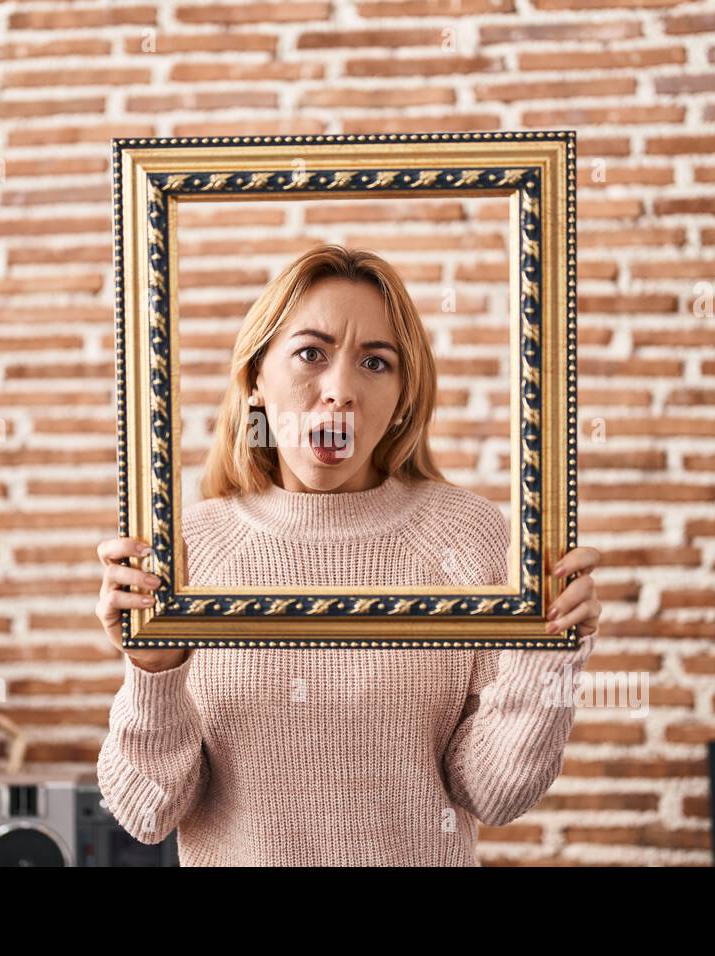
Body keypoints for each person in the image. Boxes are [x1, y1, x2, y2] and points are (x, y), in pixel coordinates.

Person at [95, 243, 601, 866]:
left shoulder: (471, 534)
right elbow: (147, 811)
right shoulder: (188, 549)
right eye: (311, 354)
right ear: (256, 378)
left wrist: (544, 656)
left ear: (401, 398)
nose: (341, 390)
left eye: (375, 363)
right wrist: (152, 673)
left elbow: (495, 793)